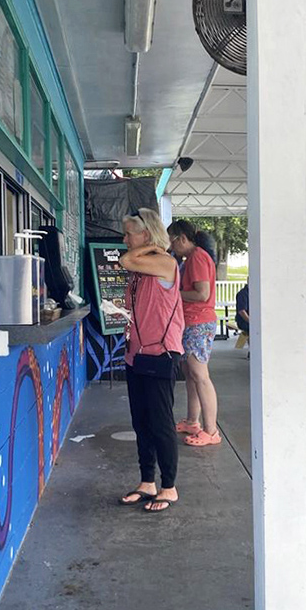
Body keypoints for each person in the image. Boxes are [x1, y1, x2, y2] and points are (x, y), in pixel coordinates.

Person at [119, 208, 185, 511]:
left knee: (161, 423)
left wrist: (155, 246)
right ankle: (147, 482)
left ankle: (168, 486)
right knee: (141, 422)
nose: (125, 239)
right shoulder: (142, 268)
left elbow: (126, 259)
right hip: (137, 355)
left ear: (145, 234)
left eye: (130, 233)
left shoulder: (165, 262)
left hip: (161, 354)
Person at [167, 219, 221, 447]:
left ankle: (211, 430)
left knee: (200, 375)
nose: (171, 248)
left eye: (172, 241)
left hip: (198, 322)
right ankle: (192, 421)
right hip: (191, 321)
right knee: (190, 374)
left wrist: (173, 294)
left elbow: (201, 293)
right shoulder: (193, 258)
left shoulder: (197, 257)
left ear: (181, 238)